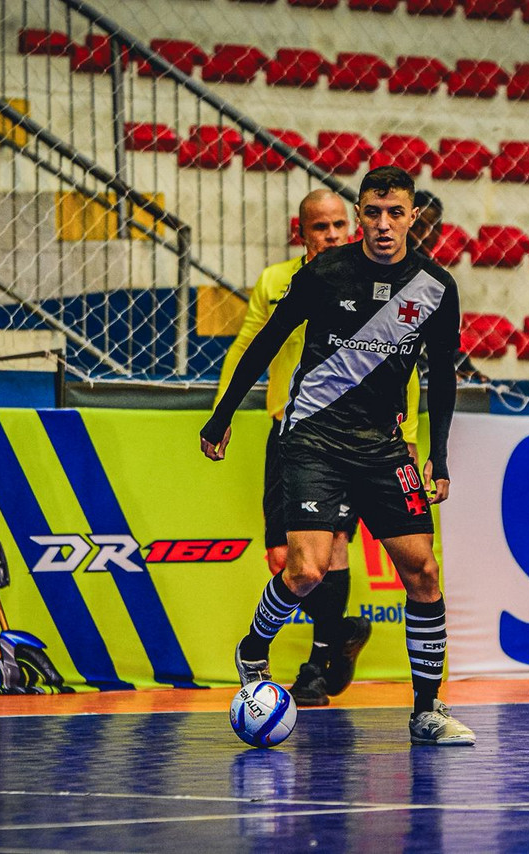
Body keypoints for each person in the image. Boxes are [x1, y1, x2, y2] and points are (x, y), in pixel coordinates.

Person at [201, 166, 475, 746]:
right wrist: (223, 414)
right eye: (371, 213)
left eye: (394, 213)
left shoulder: (436, 286)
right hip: (313, 437)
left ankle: (427, 709)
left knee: (423, 573)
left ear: (411, 219)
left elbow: (443, 378)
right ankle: (254, 648)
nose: (382, 225)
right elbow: (267, 341)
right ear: (360, 215)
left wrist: (440, 455)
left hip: (384, 445)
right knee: (305, 569)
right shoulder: (325, 272)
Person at [215, 188, 421, 708]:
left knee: (330, 552)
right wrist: (222, 412)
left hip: (353, 436)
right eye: (319, 229)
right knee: (285, 558)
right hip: (292, 431)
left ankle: (316, 660)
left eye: (337, 227)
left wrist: (412, 436)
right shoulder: (277, 282)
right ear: (300, 233)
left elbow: (406, 366)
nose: (331, 236)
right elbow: (248, 344)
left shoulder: (372, 282)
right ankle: (340, 637)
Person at [409, 189, 489, 385]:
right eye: (419, 226)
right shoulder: (391, 270)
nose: (426, 235)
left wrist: (466, 368)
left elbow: (443, 337)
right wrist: (431, 371)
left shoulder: (436, 278)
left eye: (433, 227)